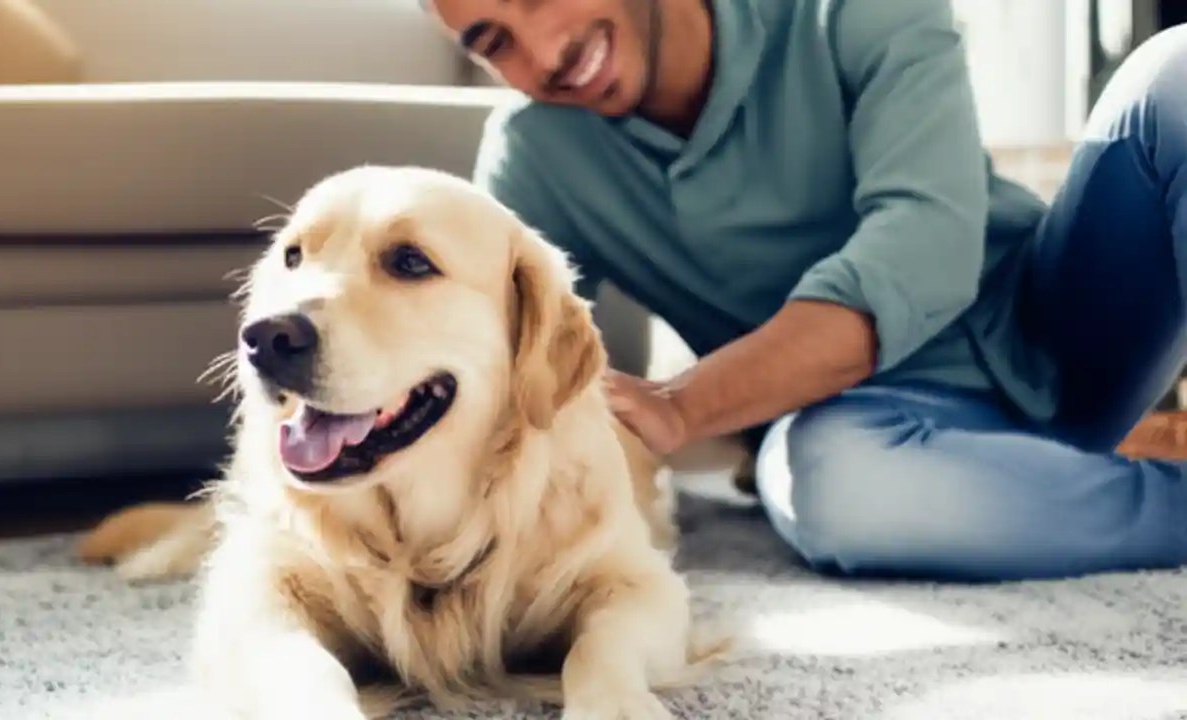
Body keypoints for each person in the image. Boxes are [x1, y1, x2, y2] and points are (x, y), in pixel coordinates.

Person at [422, 0, 1187, 582]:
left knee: (1176, 72)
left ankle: (1087, 454)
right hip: (869, 423)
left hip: (1061, 319)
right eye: (493, 42)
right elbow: (481, 350)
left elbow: (926, 250)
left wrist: (683, 402)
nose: (545, 51)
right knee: (837, 491)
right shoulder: (533, 155)